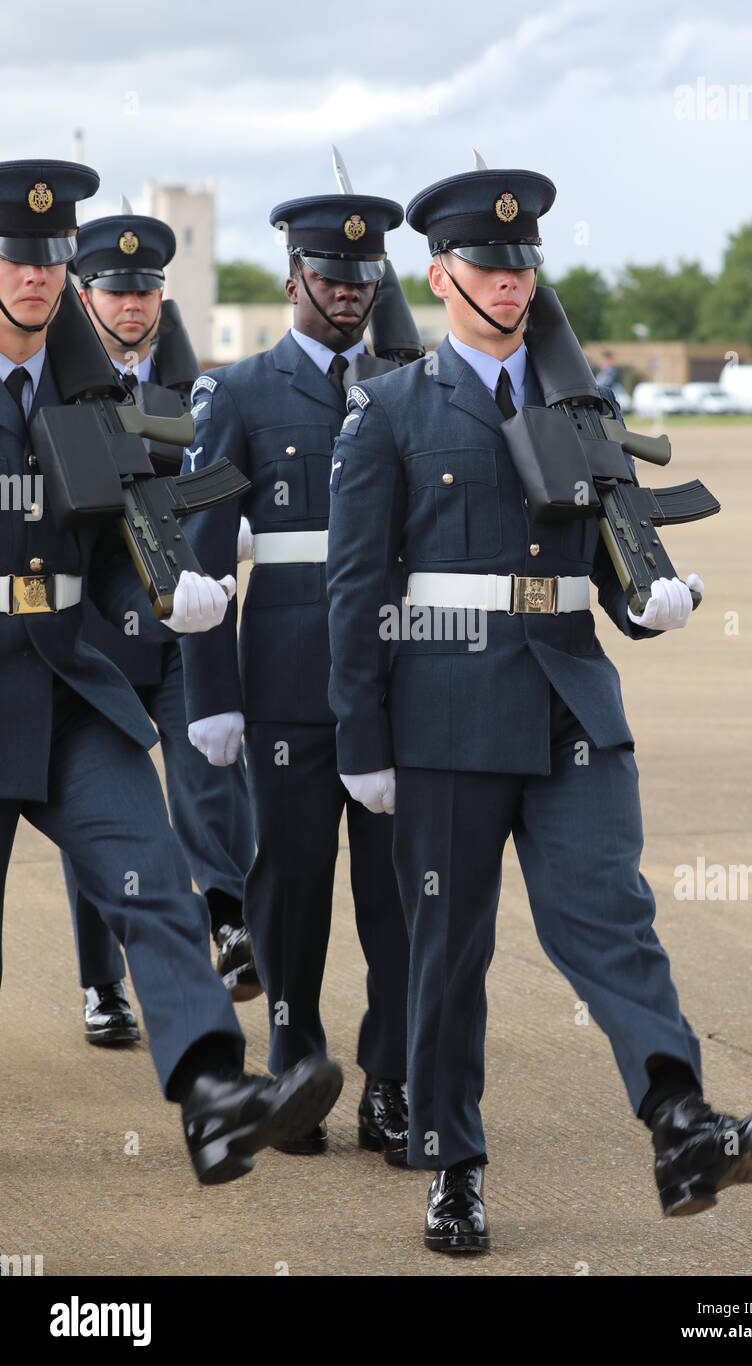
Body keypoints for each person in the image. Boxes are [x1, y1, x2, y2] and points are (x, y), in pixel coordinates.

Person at [325, 167, 752, 1251]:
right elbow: (356, 591)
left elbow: (604, 553)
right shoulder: (391, 410)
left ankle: (680, 1121)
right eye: (488, 267)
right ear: (442, 275)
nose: (509, 282)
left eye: (523, 264)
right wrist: (360, 738)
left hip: (569, 701)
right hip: (441, 713)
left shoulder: (581, 406)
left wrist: (651, 603)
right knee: (448, 947)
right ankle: (452, 1164)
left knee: (609, 919)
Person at [0, 158, 341, 1184]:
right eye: (16, 259)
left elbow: (112, 543)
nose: (35, 278)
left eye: (50, 262)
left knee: (151, 879)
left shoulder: (90, 394)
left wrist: (167, 591)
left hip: (65, 684)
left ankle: (212, 1094)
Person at [180, 192, 410, 1163]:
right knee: (292, 881)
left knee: (399, 892)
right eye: (329, 279)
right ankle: (293, 1057)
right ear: (292, 282)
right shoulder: (237, 393)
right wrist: (212, 693)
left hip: (400, 672)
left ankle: (393, 1080)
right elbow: (199, 561)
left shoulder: (414, 384)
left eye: (362, 281)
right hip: (284, 676)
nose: (348, 296)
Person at [61, 212, 258, 1047]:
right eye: (116, 290)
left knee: (210, 767)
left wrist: (231, 524)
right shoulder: (57, 386)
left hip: (187, 623)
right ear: (85, 293)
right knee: (100, 810)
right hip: (95, 631)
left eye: (145, 291)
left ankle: (230, 919)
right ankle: (104, 983)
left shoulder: (196, 389)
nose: (133, 305)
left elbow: (225, 472)